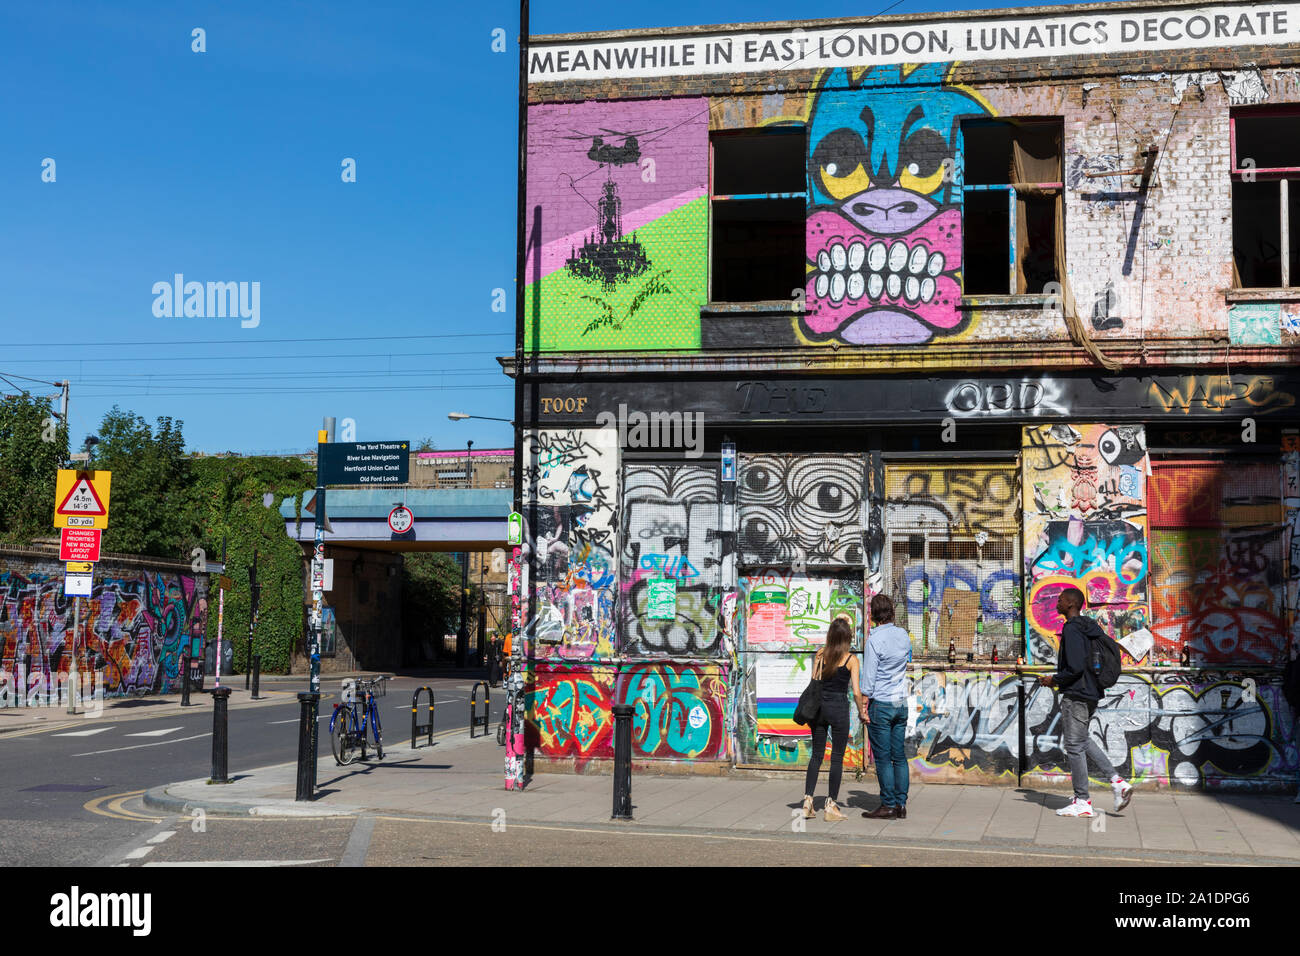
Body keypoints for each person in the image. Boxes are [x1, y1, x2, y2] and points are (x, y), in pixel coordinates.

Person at [1038, 586, 1133, 817]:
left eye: (1060, 600)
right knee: (1082, 740)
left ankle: (1083, 801)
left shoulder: (1071, 629)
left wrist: (1054, 679)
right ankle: (1117, 782)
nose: (1057, 603)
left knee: (1073, 746)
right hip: (1090, 693)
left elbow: (1076, 667)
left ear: (1071, 604)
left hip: (1077, 695)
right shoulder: (1089, 627)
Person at [802, 614, 867, 822]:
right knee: (837, 757)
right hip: (838, 709)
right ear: (847, 637)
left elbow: (815, 682)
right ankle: (831, 805)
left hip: (819, 708)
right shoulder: (851, 659)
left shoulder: (821, 654)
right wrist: (861, 711)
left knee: (816, 756)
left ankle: (807, 801)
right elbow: (856, 692)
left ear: (830, 635)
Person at [861, 594, 913, 820]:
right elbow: (906, 661)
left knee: (883, 758)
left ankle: (888, 804)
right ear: (891, 612)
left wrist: (863, 706)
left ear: (873, 614)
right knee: (899, 756)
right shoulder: (903, 635)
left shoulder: (874, 640)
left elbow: (869, 678)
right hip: (900, 702)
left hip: (881, 703)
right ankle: (901, 804)